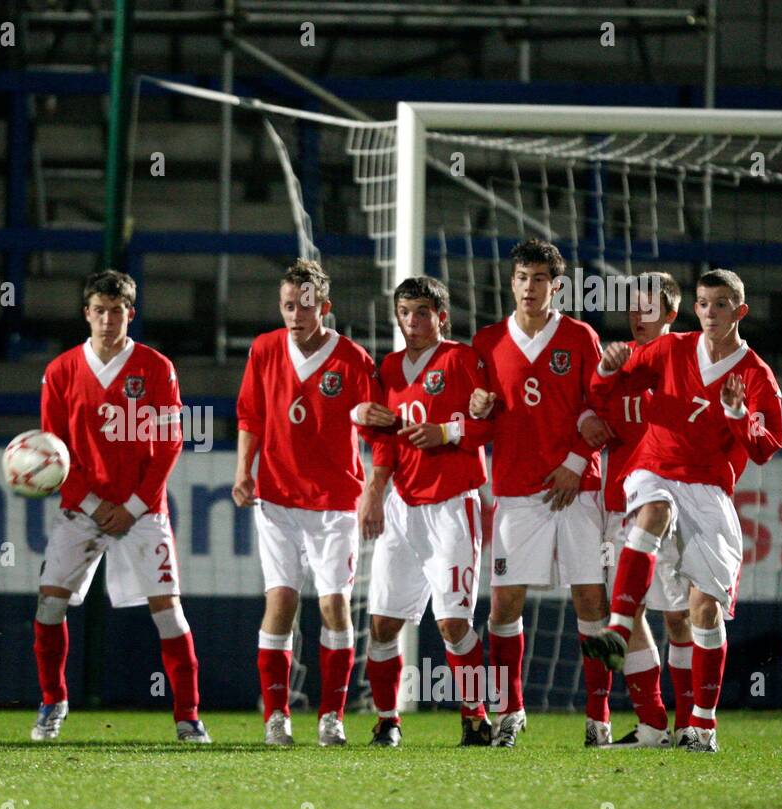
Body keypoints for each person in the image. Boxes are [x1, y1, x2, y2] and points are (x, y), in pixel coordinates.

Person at [584, 269, 782, 752]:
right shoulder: (672, 350)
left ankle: (701, 725)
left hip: (709, 491)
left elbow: (764, 448)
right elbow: (607, 388)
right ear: (693, 309)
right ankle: (618, 625)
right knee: (652, 511)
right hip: (654, 466)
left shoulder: (755, 375)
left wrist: (736, 415)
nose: (710, 312)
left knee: (702, 612)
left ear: (740, 310)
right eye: (703, 303)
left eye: (720, 304)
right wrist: (608, 368)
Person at [30, 270, 208, 743]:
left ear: (131, 313)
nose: (108, 319)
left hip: (143, 511)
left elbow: (170, 443)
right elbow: (54, 452)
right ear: (86, 313)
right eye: (99, 310)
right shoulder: (61, 371)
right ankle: (53, 701)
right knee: (50, 604)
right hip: (82, 510)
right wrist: (91, 501)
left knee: (168, 611)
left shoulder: (156, 367)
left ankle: (188, 717)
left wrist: (131, 505)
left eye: (117, 310)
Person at [468, 239, 615, 747]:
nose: (529, 287)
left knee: (591, 602)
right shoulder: (486, 342)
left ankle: (599, 718)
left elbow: (599, 409)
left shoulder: (580, 337)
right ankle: (511, 710)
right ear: (511, 282)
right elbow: (476, 420)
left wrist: (576, 464)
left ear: (557, 285)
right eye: (521, 277)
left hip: (576, 488)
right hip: (515, 489)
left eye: (539, 279)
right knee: (503, 606)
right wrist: (478, 407)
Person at [234, 258, 385, 747]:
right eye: (287, 305)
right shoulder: (263, 349)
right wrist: (243, 473)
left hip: (335, 504)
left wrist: (371, 495)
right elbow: (251, 416)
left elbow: (378, 434)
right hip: (277, 501)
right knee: (279, 602)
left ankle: (331, 716)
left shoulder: (353, 361)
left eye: (304, 306)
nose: (294, 315)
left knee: (335, 605)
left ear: (324, 306)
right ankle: (276, 716)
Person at [358, 276, 494, 747]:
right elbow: (383, 436)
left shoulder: (462, 359)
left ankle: (476, 717)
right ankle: (387, 720)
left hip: (453, 506)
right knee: (382, 622)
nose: (410, 322)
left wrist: (448, 432)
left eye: (420, 312)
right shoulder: (390, 368)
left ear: (441, 316)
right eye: (404, 312)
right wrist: (376, 489)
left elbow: (487, 422)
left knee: (454, 625)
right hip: (402, 507)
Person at [589, 274, 694, 748]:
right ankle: (652, 724)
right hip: (620, 507)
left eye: (648, 309)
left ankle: (692, 725)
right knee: (625, 618)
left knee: (679, 617)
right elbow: (589, 406)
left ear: (670, 315)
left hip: (676, 505)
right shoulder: (620, 361)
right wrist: (605, 375)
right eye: (632, 308)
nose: (637, 317)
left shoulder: (691, 363)